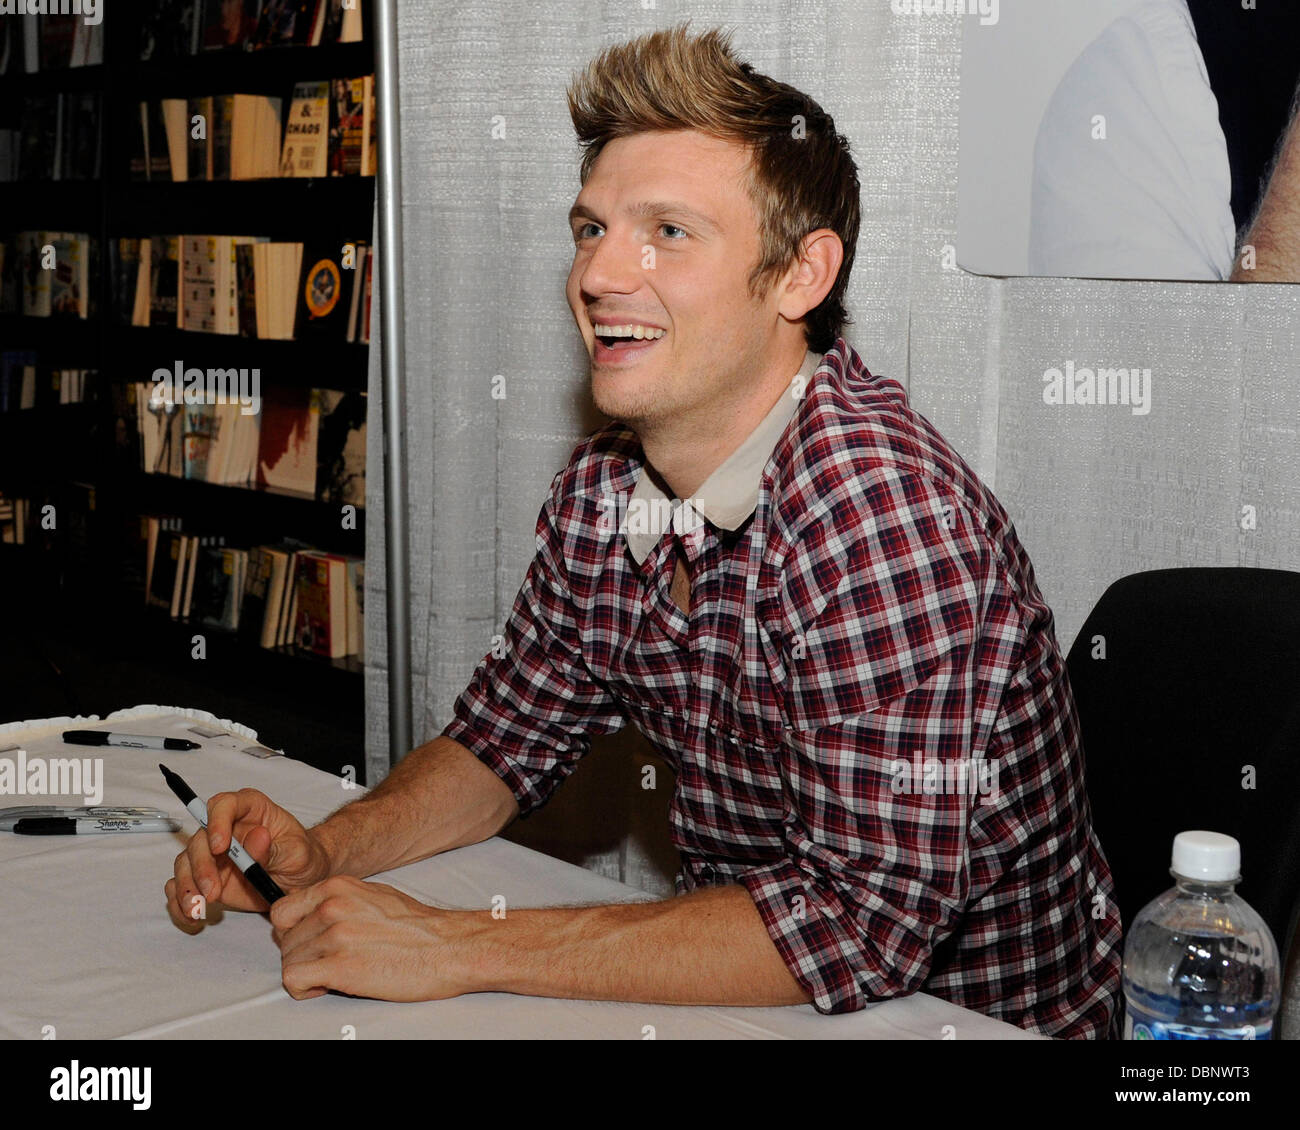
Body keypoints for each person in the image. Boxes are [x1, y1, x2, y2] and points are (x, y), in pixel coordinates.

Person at [166, 23, 1122, 1038]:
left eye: (667, 230)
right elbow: (503, 740)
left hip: (969, 1022)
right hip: (763, 989)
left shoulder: (885, 516)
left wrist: (452, 943)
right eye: (590, 229)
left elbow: (859, 926)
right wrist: (329, 847)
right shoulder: (602, 485)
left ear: (800, 275)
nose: (600, 274)